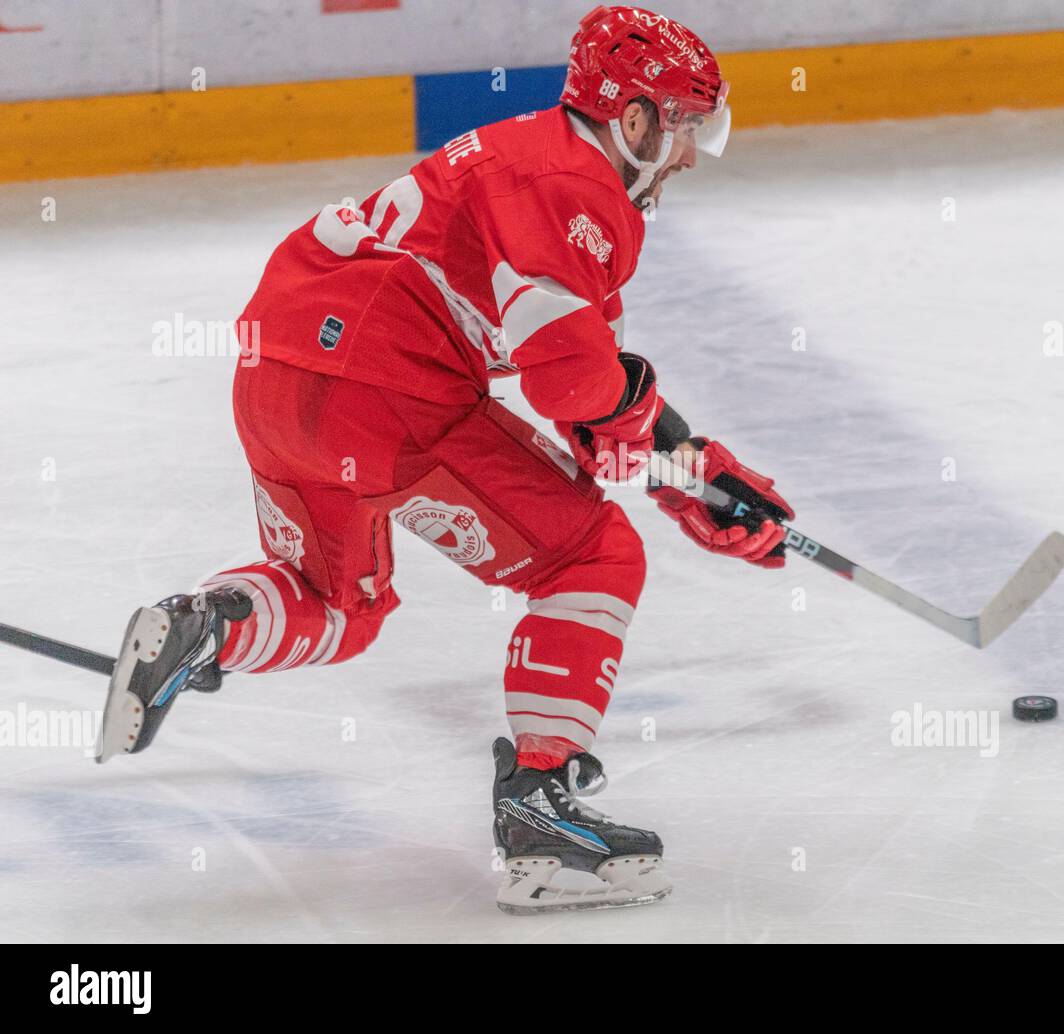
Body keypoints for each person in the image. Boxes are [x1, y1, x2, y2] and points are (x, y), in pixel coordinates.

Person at [97, 4, 793, 914]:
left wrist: (692, 474)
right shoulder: (582, 194)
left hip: (276, 374)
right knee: (591, 554)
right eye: (684, 125)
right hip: (382, 392)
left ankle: (202, 626)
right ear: (634, 119)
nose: (691, 153)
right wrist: (669, 462)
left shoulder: (533, 156)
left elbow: (593, 392)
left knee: (336, 603)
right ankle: (540, 809)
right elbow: (577, 389)